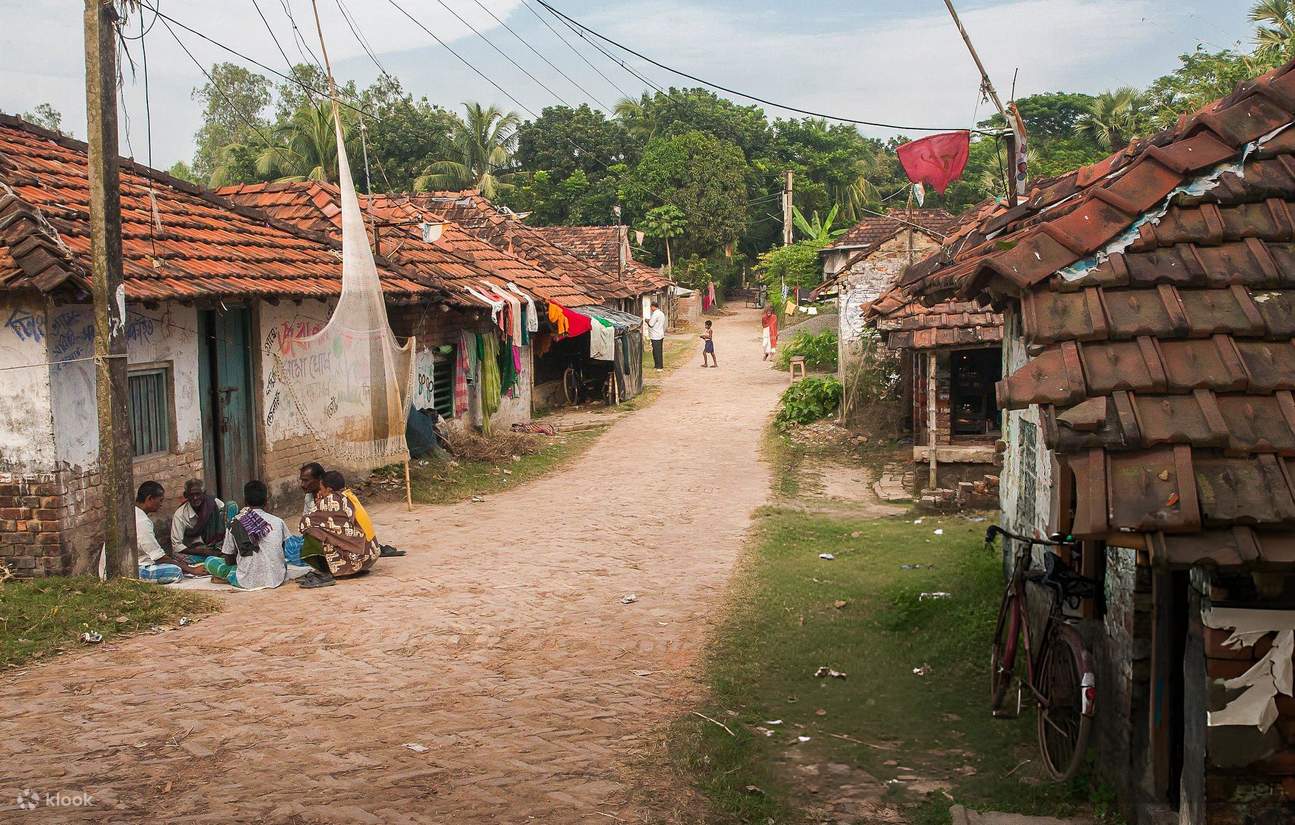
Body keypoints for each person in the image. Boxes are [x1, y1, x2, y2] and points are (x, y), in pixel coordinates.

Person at [298, 470, 381, 588]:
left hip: (359, 558)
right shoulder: (349, 495)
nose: (320, 492)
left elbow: (303, 524)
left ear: (329, 490)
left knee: (312, 532)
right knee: (329, 531)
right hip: (371, 554)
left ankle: (327, 570)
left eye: (321, 489)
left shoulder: (331, 500)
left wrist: (318, 504)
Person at [202, 480, 289, 590]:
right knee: (281, 563)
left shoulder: (235, 523)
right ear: (266, 501)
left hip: (247, 581)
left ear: (245, 501)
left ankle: (230, 577)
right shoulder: (278, 521)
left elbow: (229, 560)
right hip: (277, 578)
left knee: (209, 561)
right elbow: (282, 552)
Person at [135, 481, 203, 580]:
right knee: (175, 571)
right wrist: (191, 570)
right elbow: (158, 556)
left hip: (139, 562)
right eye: (160, 500)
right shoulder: (142, 521)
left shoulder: (134, 514)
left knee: (177, 563)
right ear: (149, 499)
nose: (161, 504)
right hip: (136, 569)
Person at [170, 479, 226, 561]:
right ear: (186, 495)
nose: (195, 498)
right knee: (177, 555)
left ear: (204, 493)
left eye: (198, 494)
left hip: (216, 545)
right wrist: (203, 551)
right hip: (196, 549)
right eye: (191, 495)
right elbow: (176, 545)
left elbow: (225, 520)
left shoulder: (214, 503)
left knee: (231, 506)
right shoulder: (180, 515)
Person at [645, 301, 666, 371]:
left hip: (655, 335)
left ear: (654, 307)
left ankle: (658, 366)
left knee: (656, 351)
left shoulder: (655, 314)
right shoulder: (661, 313)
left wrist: (646, 320)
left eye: (651, 307)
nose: (650, 308)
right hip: (660, 334)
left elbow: (651, 324)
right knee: (658, 351)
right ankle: (658, 365)